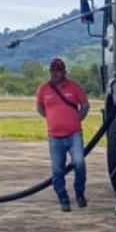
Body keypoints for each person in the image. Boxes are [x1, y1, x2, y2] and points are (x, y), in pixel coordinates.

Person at [36, 58, 90, 212]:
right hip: (55, 136)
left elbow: (85, 105)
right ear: (50, 72)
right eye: (53, 71)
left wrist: (78, 118)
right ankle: (63, 198)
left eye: (59, 71)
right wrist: (51, 118)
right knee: (57, 170)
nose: (56, 74)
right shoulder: (44, 89)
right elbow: (40, 108)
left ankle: (79, 193)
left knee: (79, 163)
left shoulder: (74, 87)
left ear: (64, 72)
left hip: (74, 135)